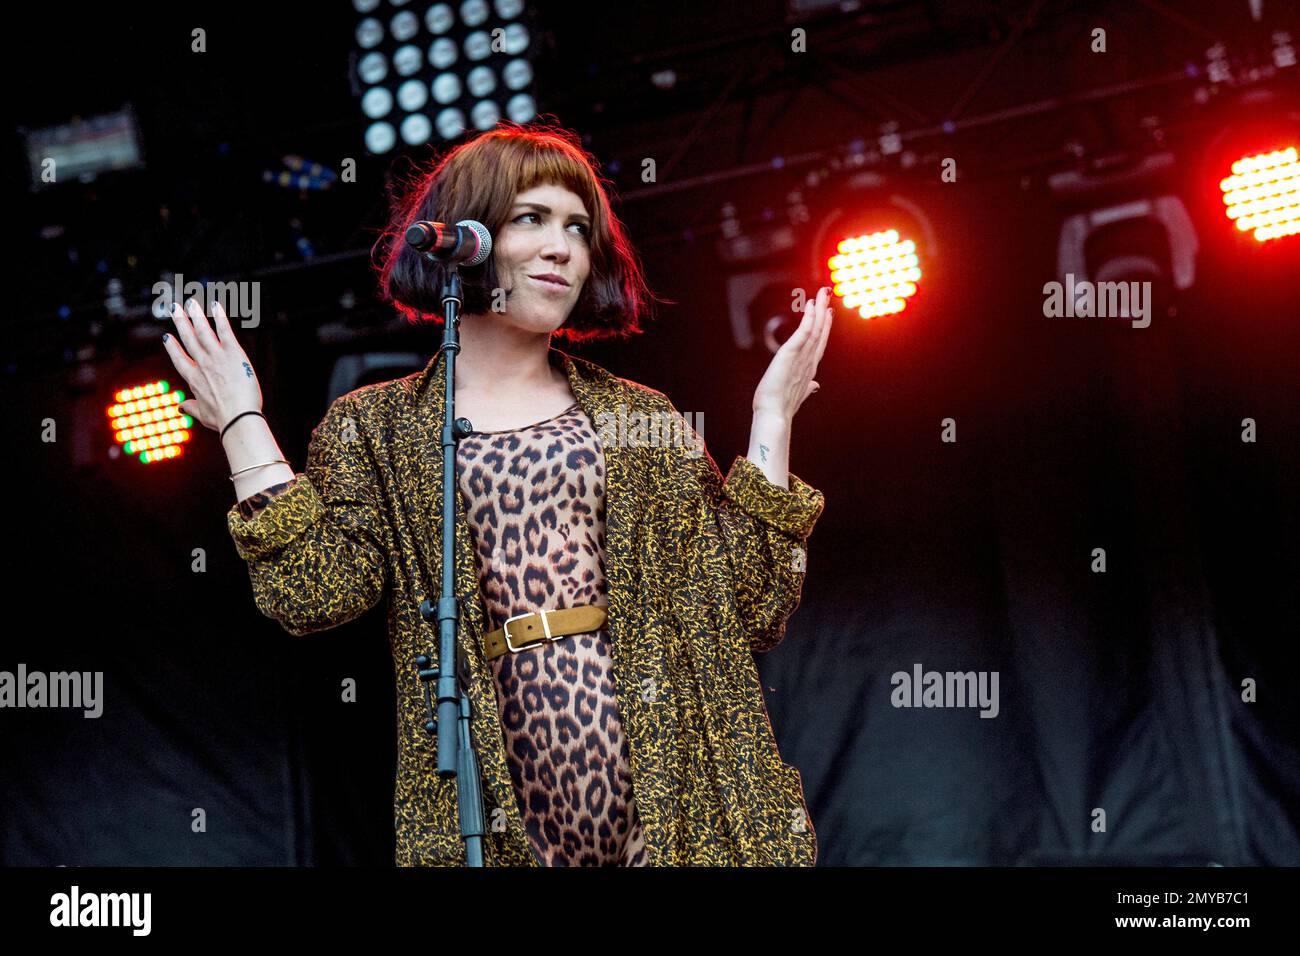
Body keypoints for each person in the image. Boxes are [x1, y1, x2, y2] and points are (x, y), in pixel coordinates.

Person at [163, 121, 832, 866]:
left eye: (578, 229)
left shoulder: (639, 417)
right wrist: (241, 422)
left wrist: (772, 419)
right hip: (496, 817)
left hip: (682, 800)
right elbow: (310, 591)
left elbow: (751, 599)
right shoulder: (377, 427)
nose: (563, 248)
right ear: (462, 238)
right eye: (531, 219)